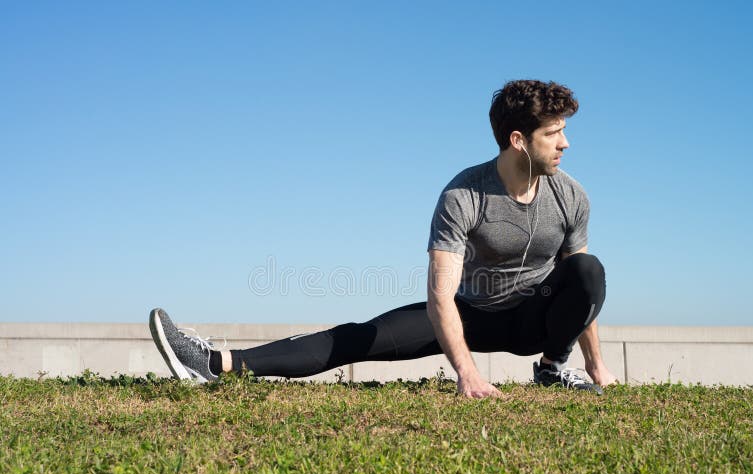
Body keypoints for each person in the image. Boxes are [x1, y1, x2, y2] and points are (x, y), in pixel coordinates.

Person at [149, 79, 619, 398]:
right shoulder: (464, 194)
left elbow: (583, 294)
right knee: (360, 337)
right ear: (518, 139)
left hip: (536, 315)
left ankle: (553, 370)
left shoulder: (571, 195)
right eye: (554, 133)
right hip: (470, 313)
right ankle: (215, 363)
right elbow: (439, 295)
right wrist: (466, 372)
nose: (565, 144)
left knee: (588, 267)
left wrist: (596, 367)